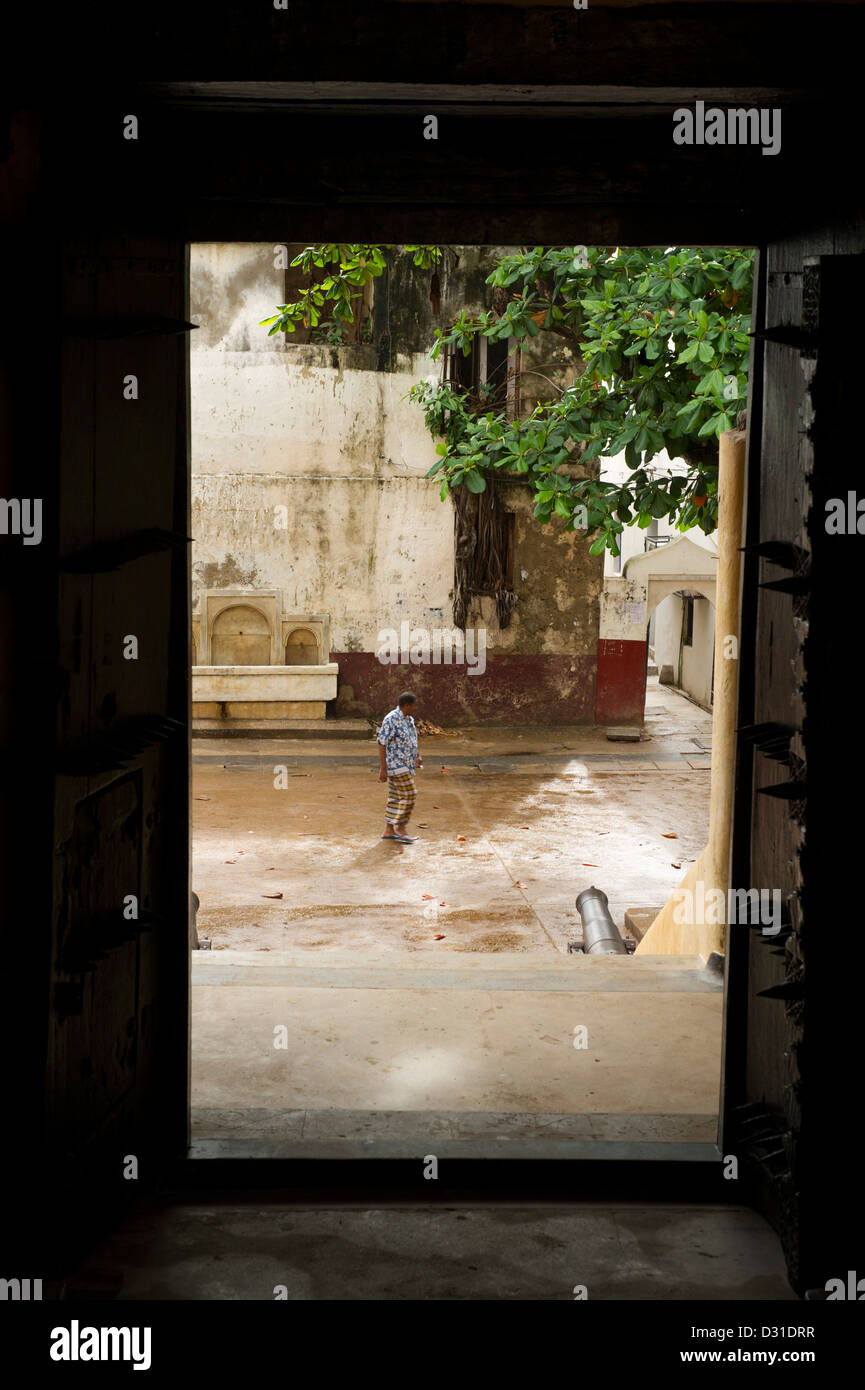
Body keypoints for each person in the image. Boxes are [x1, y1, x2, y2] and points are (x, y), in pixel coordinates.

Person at [377, 691, 423, 843]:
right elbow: (381, 743)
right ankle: (401, 828)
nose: (415, 708)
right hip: (395, 765)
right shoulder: (391, 719)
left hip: (406, 764)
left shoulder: (409, 719)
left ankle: (389, 830)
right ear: (407, 705)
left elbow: (412, 739)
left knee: (395, 797)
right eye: (414, 705)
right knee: (410, 794)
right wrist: (383, 769)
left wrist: (417, 756)